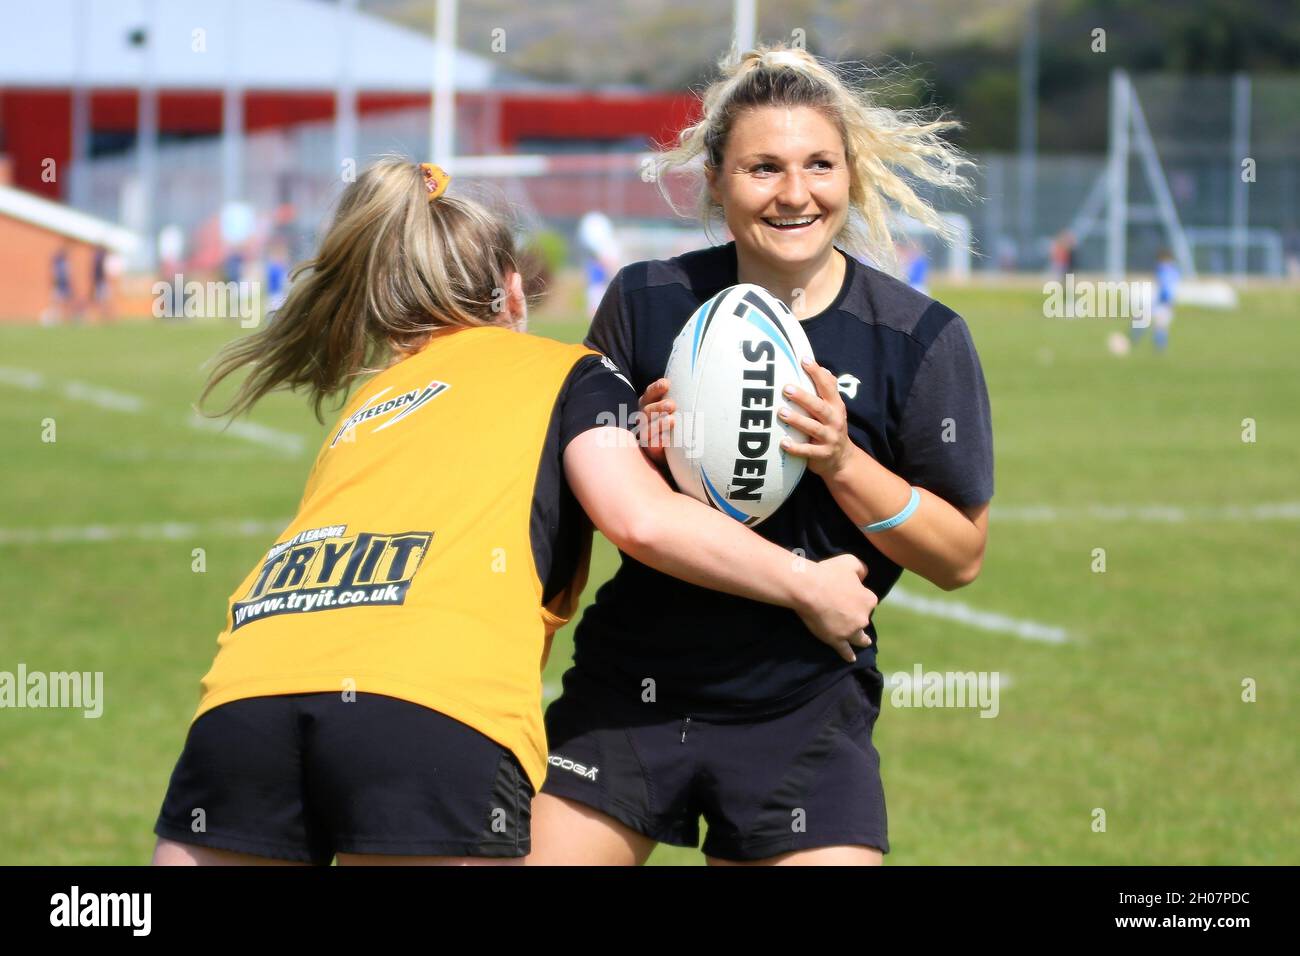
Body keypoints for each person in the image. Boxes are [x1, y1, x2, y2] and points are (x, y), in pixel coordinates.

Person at [150, 158, 876, 866]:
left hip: (247, 697)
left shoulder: (369, 404)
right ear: (510, 290)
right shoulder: (567, 373)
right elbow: (640, 522)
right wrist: (808, 583)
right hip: (427, 703)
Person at [528, 45, 995, 866]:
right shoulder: (647, 299)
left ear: (849, 173)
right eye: (763, 167)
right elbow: (596, 505)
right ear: (715, 179)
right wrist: (643, 444)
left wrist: (843, 462)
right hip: (633, 688)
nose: (794, 193)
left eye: (819, 164)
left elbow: (960, 557)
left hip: (804, 710)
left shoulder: (921, 337)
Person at [1131, 249, 1179, 352]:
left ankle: (1135, 340)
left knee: (1156, 325)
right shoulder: (1174, 271)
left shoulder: (1164, 271)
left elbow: (1166, 287)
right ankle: (1136, 340)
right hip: (1164, 302)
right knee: (1156, 325)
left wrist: (1164, 299)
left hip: (1162, 302)